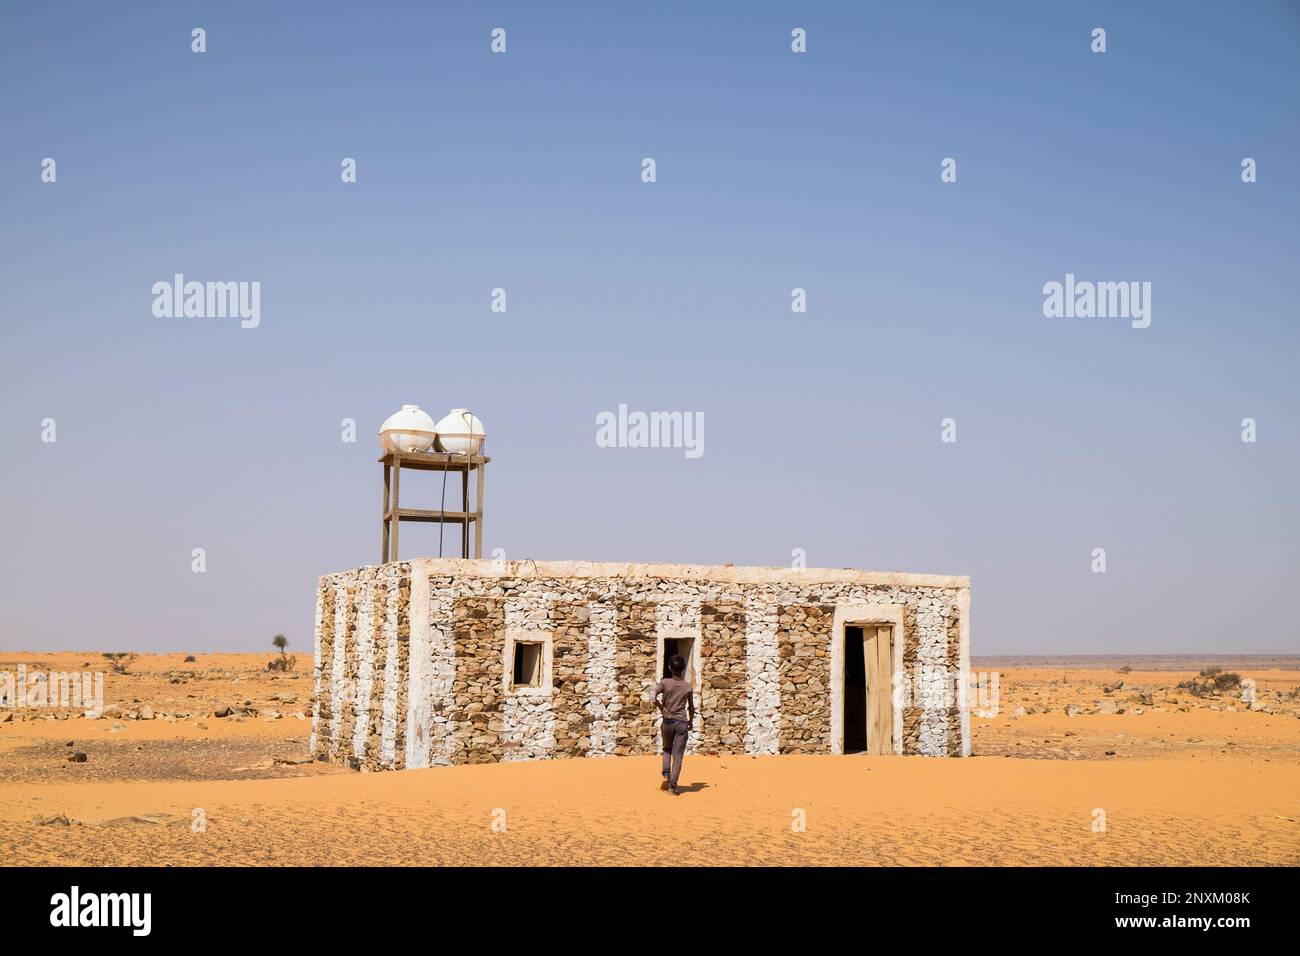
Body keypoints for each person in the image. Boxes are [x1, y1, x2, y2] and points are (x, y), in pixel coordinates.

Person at [653, 654, 695, 795]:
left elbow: (652, 696)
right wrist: (690, 721)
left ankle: (666, 773)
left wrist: (662, 708)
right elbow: (691, 707)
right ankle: (672, 787)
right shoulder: (688, 687)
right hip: (681, 722)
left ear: (670, 668)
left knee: (666, 749)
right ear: (682, 669)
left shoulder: (665, 683)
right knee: (678, 756)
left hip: (667, 721)